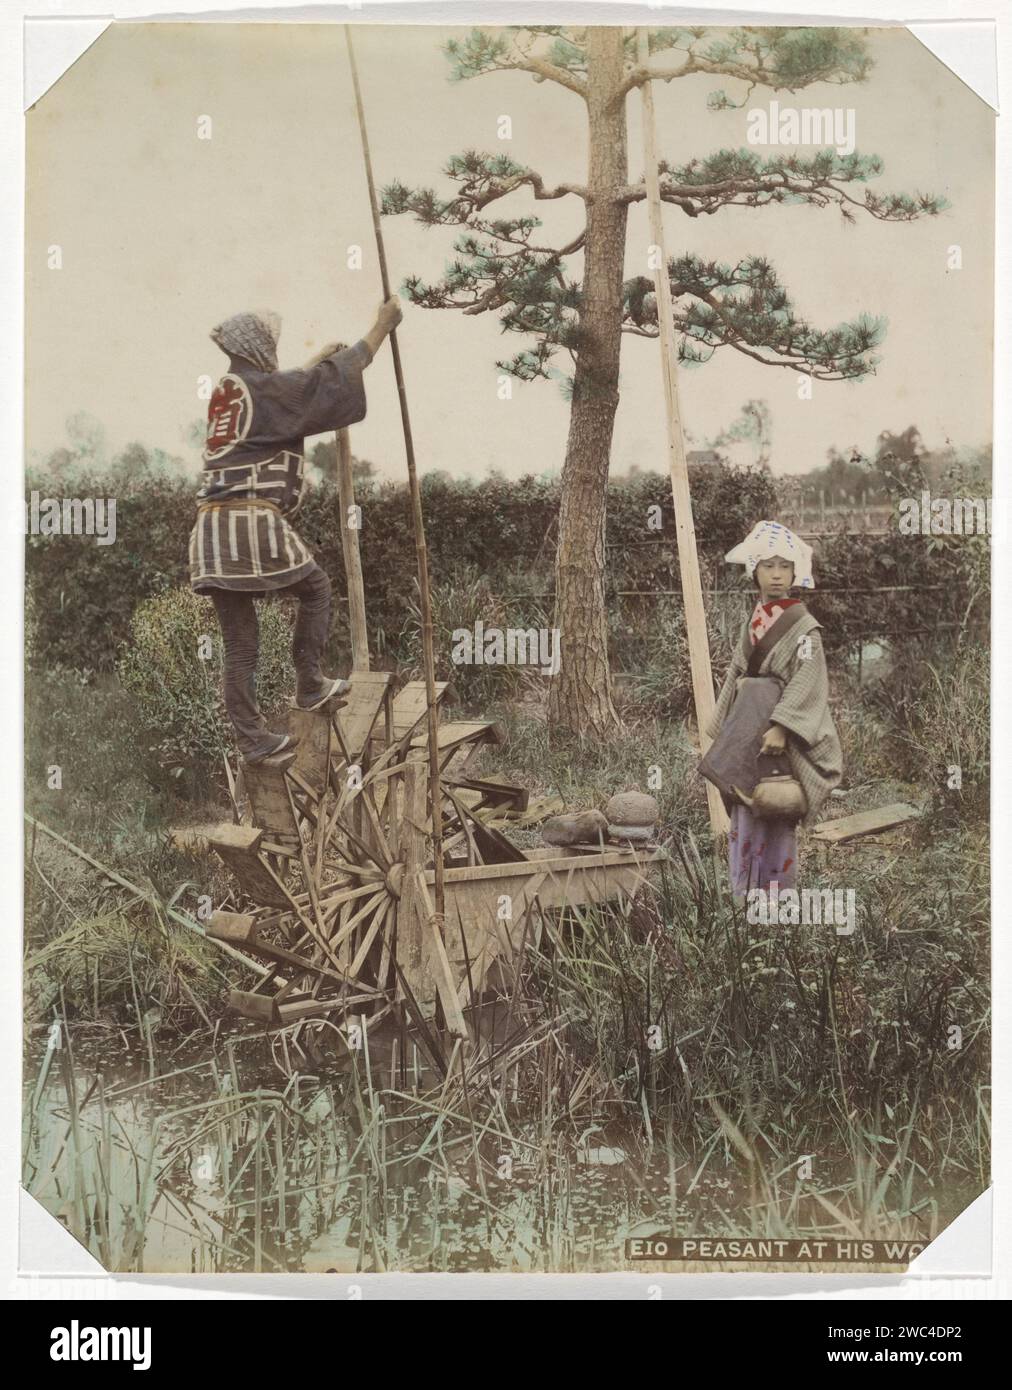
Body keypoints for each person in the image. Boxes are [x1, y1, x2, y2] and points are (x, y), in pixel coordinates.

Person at [189, 297, 402, 762]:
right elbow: (312, 390)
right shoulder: (262, 390)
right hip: (249, 520)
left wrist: (315, 362)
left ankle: (252, 740)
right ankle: (310, 683)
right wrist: (381, 328)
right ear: (261, 348)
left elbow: (286, 398)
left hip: (211, 531)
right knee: (317, 590)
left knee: (241, 646)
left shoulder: (229, 391)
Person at [707, 520, 843, 897]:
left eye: (785, 566)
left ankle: (778, 893)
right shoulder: (754, 620)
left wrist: (783, 727)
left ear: (796, 573)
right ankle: (744, 893)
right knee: (746, 803)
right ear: (755, 571)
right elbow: (737, 669)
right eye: (768, 566)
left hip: (780, 728)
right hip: (748, 726)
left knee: (777, 803)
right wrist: (723, 727)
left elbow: (809, 678)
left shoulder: (803, 627)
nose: (777, 575)